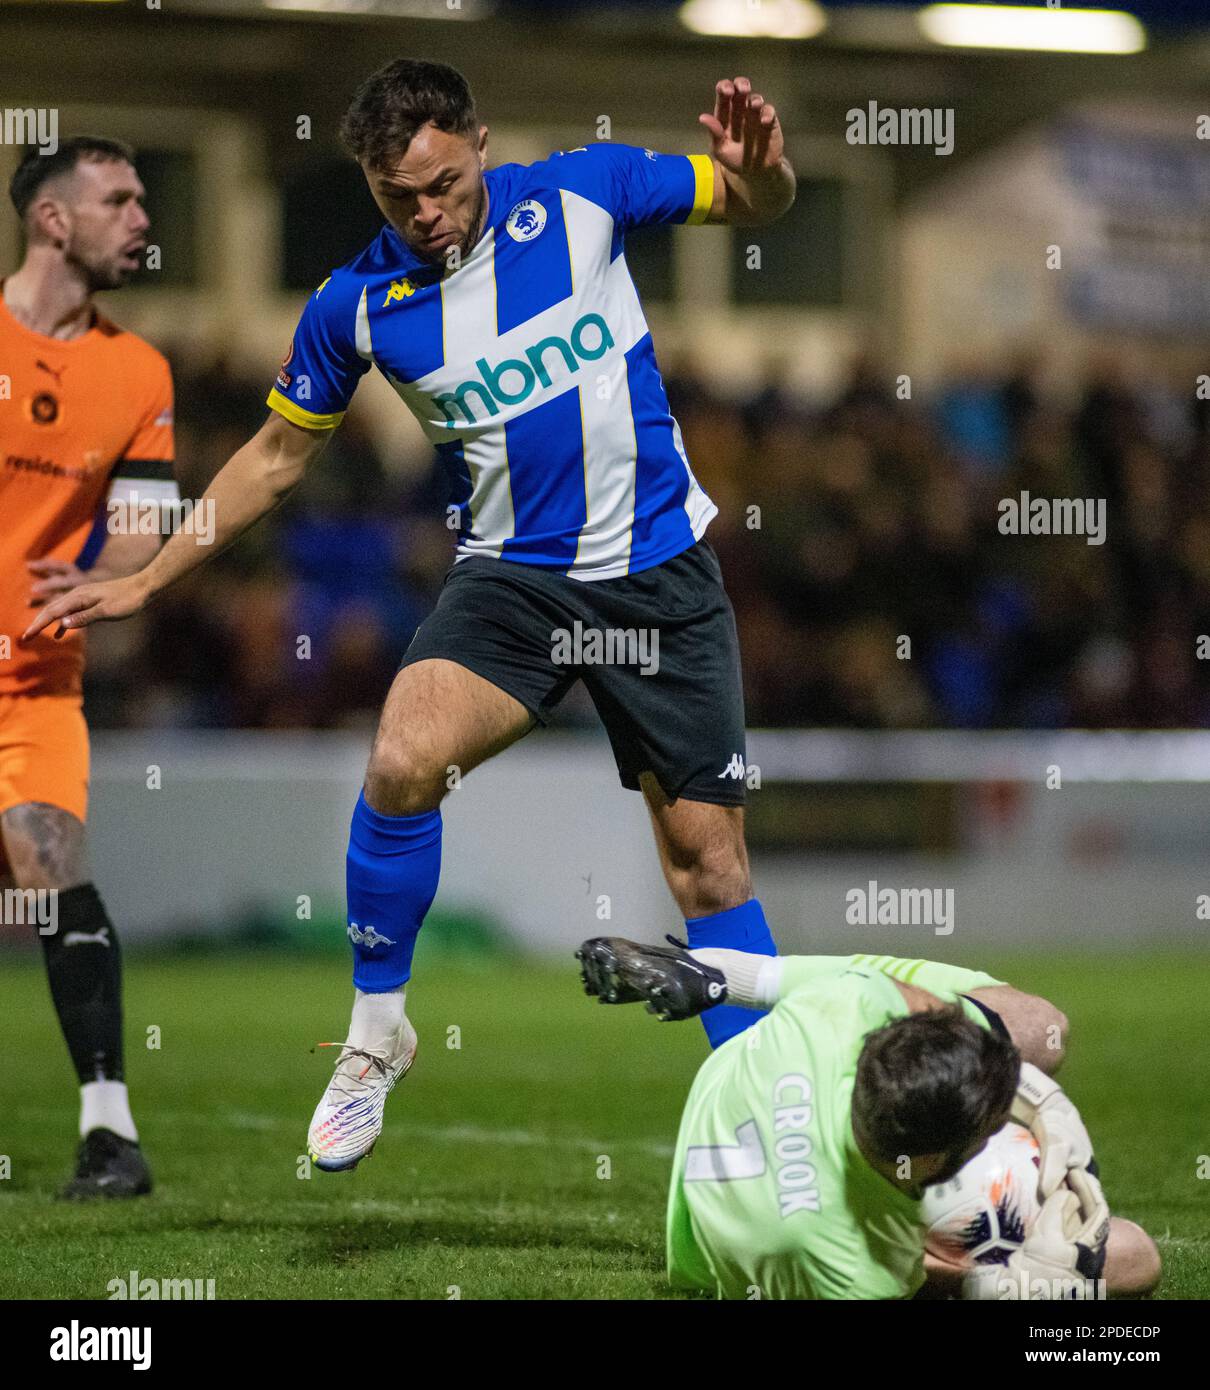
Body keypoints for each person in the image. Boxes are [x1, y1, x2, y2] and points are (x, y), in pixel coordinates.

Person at [24, 60, 797, 1171]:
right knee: (399, 760)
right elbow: (280, 455)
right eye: (398, 198)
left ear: (478, 143)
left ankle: (771, 1123)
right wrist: (150, 578)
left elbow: (746, 202)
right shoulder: (359, 305)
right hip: (512, 585)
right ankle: (378, 1033)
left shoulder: (589, 193)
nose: (426, 214)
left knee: (708, 869)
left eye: (441, 183)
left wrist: (763, 178)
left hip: (660, 577)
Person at [577, 938, 1162, 1300]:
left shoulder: (838, 1018)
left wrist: (1040, 1097)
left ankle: (720, 971)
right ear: (932, 1166)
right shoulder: (851, 1265)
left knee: (1040, 1031)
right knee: (1130, 1258)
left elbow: (913, 1004)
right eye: (987, 1131)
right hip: (745, 1228)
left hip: (751, 1083)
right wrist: (996, 1285)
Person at [3, 137, 179, 1197]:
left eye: (146, 198)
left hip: (36, 686)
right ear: (53, 221)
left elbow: (138, 528)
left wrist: (105, 578)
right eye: (120, 199)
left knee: (49, 863)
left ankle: (110, 1134)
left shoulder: (139, 370)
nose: (143, 218)